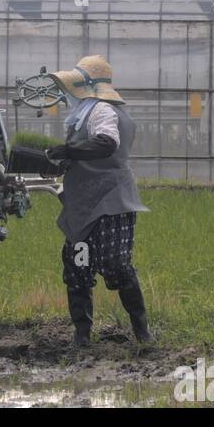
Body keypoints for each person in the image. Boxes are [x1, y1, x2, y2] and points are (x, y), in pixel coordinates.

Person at [44, 55, 153, 346]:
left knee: (116, 263)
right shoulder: (84, 114)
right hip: (82, 204)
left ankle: (142, 332)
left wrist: (69, 151)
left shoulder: (102, 110)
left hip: (110, 201)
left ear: (85, 87)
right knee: (78, 265)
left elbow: (106, 144)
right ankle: (82, 335)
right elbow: (85, 153)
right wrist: (61, 160)